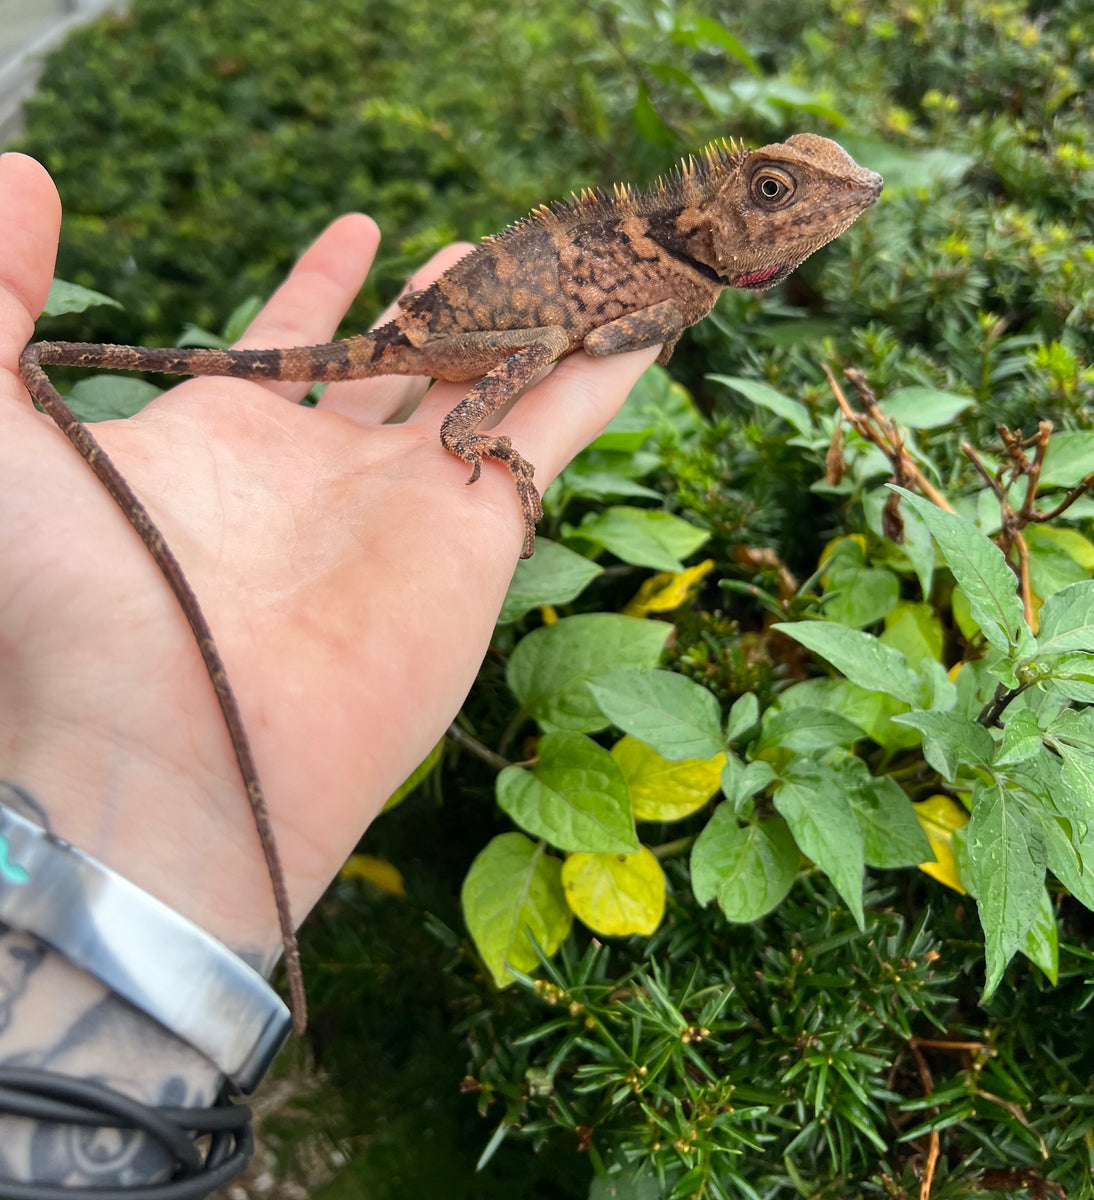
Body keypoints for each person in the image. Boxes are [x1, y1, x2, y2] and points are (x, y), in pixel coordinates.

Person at [0, 151, 658, 1186]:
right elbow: (610, 333)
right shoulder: (665, 264)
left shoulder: (675, 265)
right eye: (769, 189)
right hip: (453, 349)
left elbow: (618, 333)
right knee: (538, 338)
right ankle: (469, 430)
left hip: (436, 332)